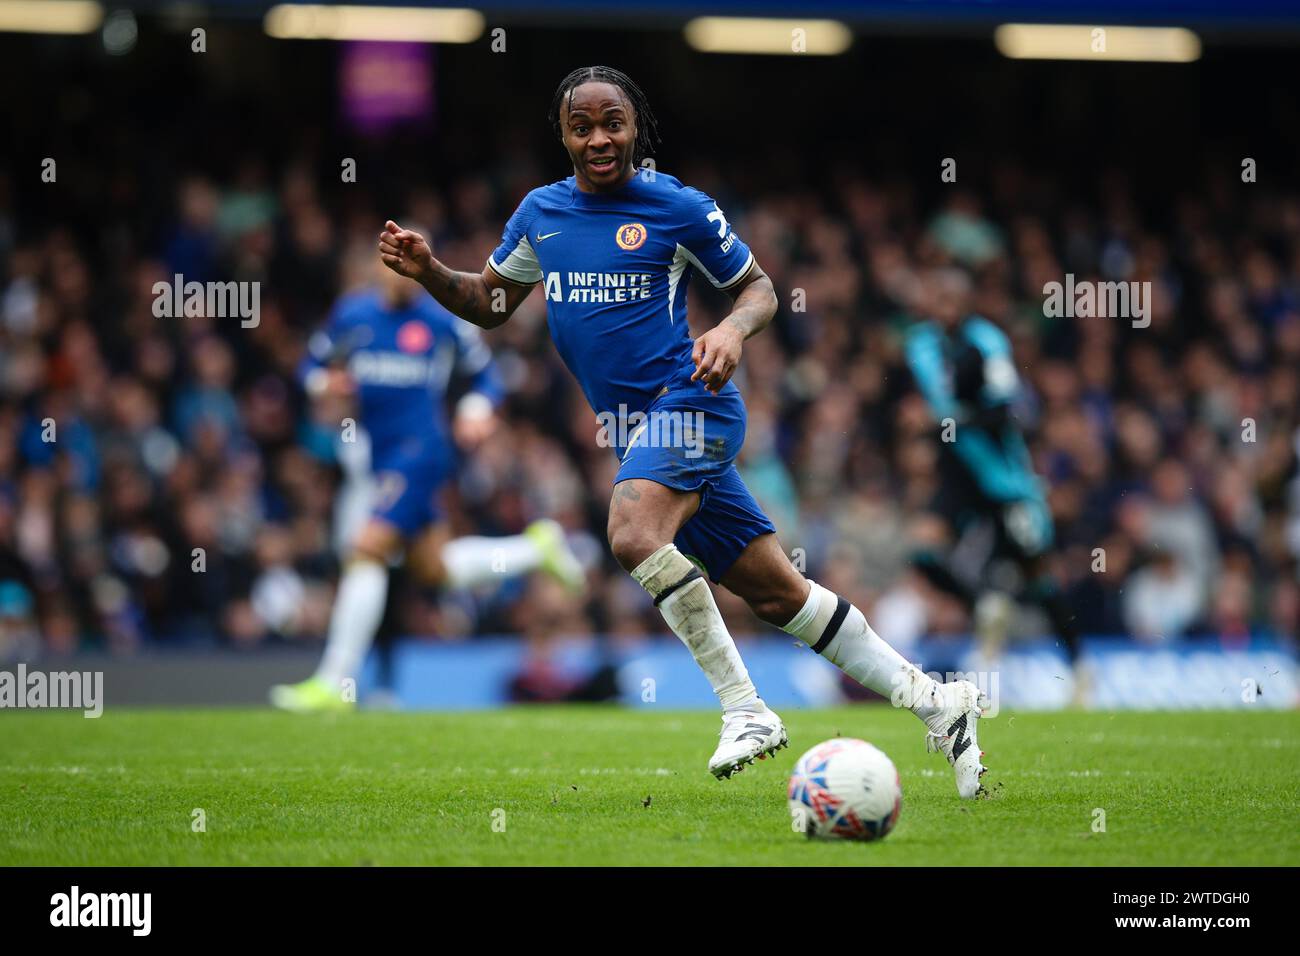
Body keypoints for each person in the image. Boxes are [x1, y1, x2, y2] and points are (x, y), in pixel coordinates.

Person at [377, 66, 990, 796]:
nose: (600, 138)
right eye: (583, 126)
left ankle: (746, 711)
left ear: (637, 128)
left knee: (634, 533)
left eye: (614, 123)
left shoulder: (676, 207)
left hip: (693, 402)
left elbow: (758, 287)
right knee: (779, 596)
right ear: (565, 135)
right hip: (640, 434)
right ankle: (937, 701)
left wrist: (731, 329)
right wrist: (430, 271)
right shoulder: (541, 214)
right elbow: (488, 302)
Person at [270, 261, 585, 713]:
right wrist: (324, 383)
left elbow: (488, 376)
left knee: (366, 548)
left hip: (422, 451)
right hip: (380, 457)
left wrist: (476, 407)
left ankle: (334, 683)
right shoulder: (352, 315)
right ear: (378, 272)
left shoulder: (441, 319)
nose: (401, 276)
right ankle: (536, 549)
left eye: (409, 268)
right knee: (435, 570)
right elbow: (309, 367)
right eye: (392, 267)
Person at [904, 266, 1078, 660]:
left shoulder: (987, 343)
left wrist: (941, 422)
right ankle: (984, 604)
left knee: (1037, 573)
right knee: (922, 550)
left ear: (967, 302)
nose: (945, 307)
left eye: (952, 299)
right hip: (956, 471)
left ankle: (1079, 662)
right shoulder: (920, 345)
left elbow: (1005, 411)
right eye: (938, 298)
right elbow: (925, 401)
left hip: (1001, 475)